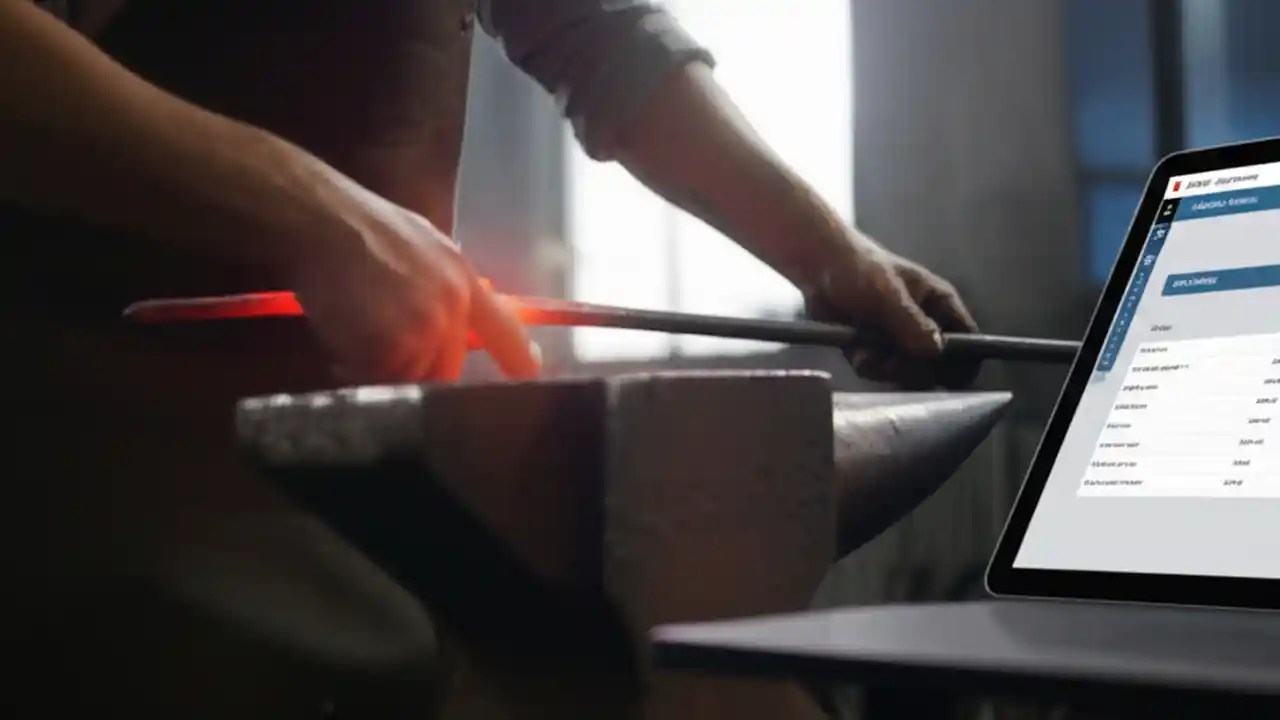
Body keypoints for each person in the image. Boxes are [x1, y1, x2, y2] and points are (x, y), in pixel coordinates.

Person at [2, 0, 980, 717]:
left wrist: (827, 252)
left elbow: (600, 37)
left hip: (366, 471)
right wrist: (311, 214)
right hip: (100, 481)